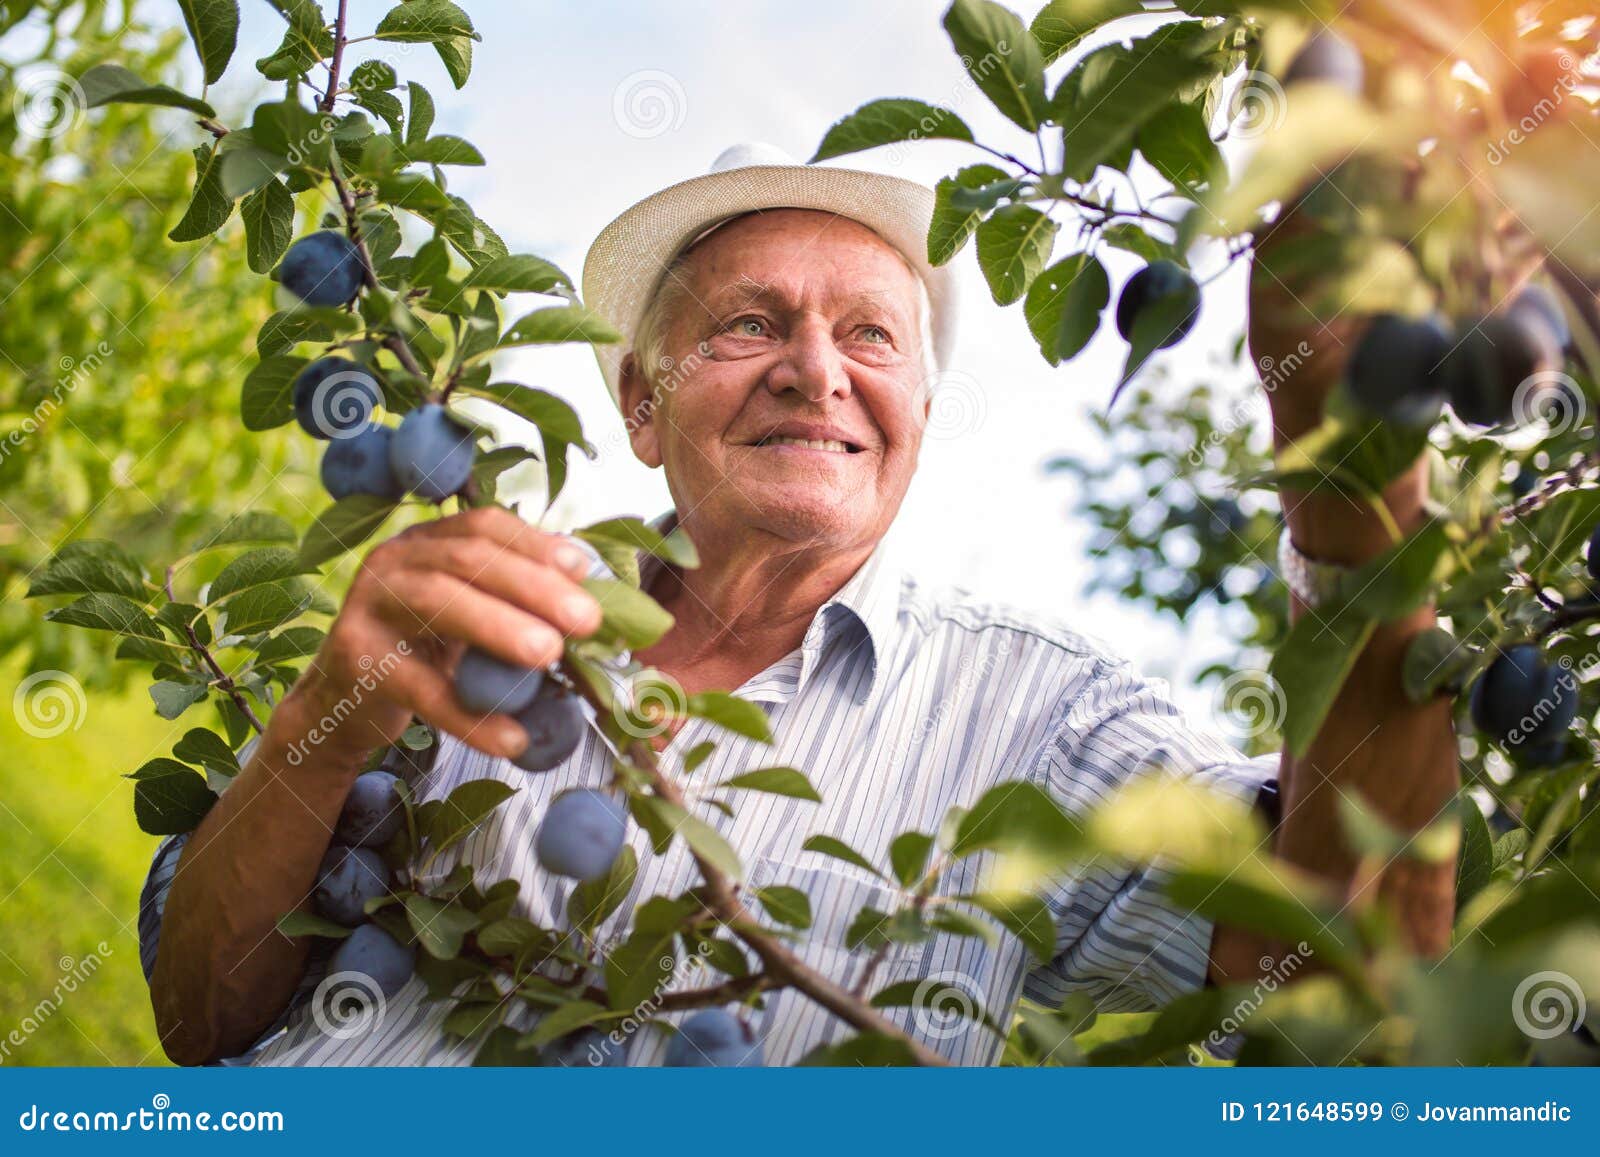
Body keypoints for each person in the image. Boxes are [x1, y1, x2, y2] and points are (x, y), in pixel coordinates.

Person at [140, 143, 1457, 1067]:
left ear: (918, 426)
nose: (814, 370)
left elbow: (1349, 973)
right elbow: (199, 1011)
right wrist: (325, 713)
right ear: (643, 408)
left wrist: (1354, 475)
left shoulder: (1037, 719)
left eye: (872, 336)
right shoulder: (479, 621)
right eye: (746, 326)